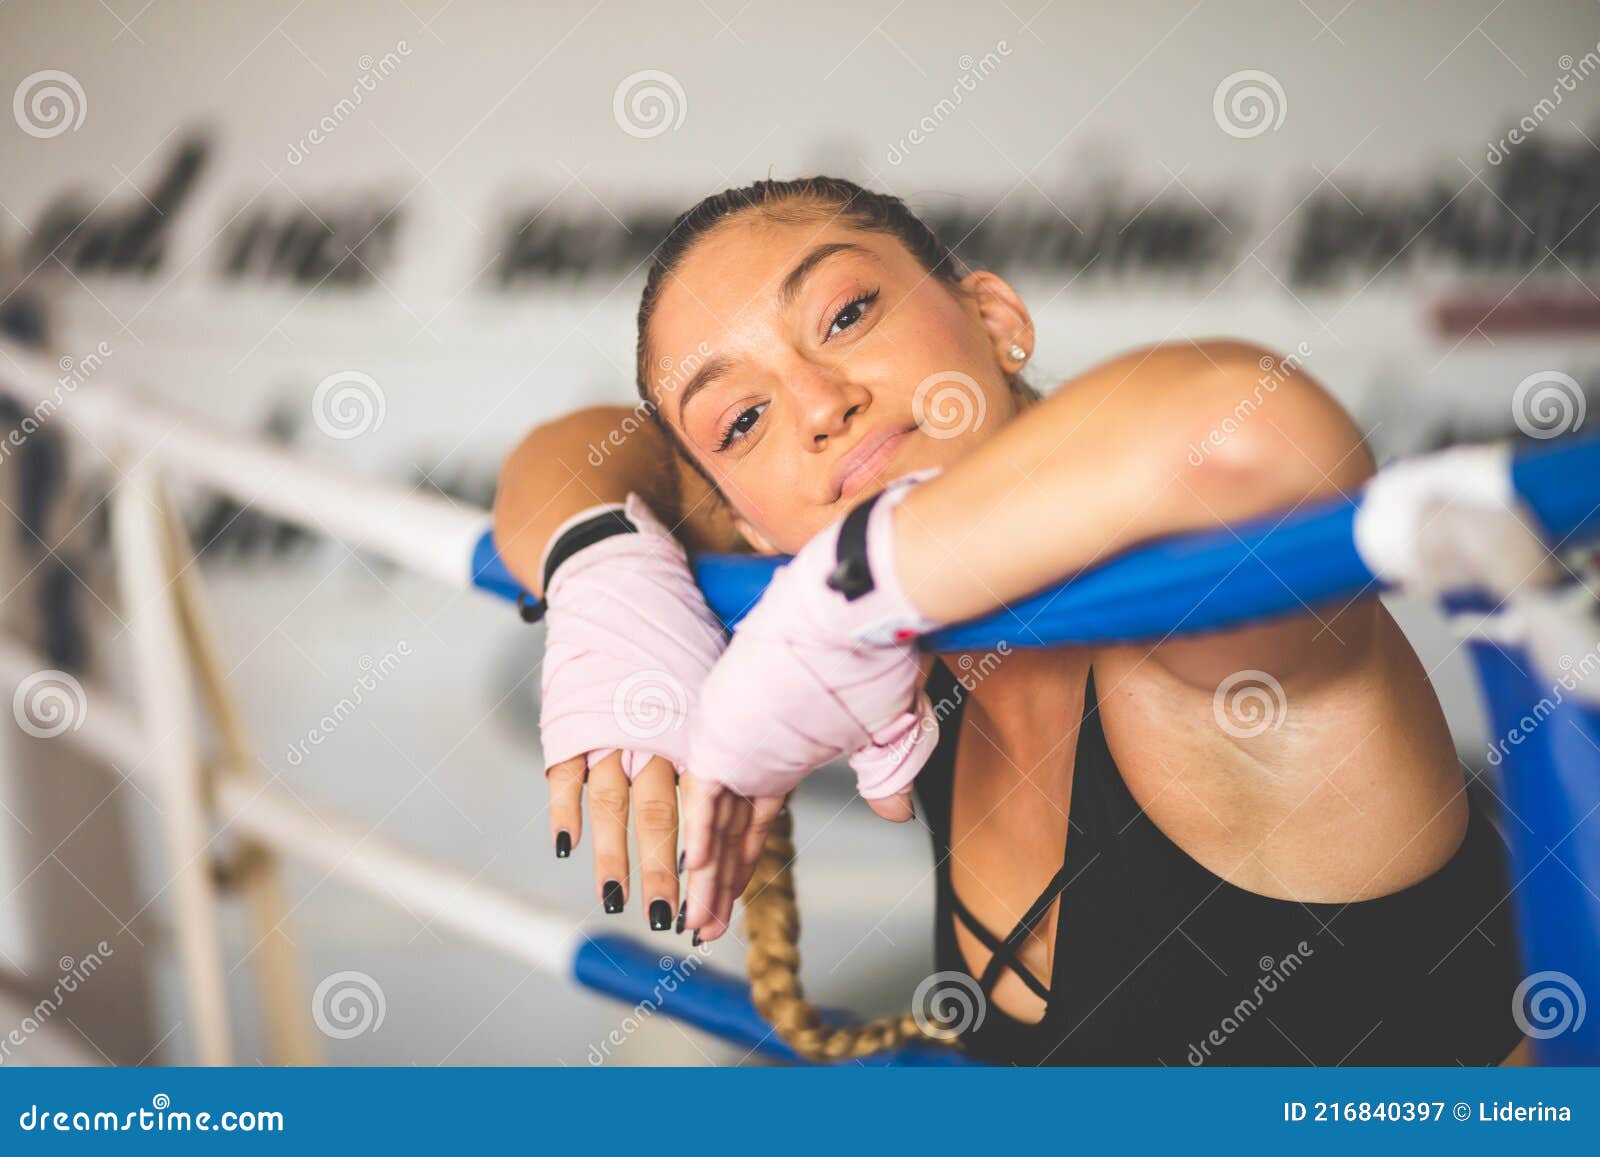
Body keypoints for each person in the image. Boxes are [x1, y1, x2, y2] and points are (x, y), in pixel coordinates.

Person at [494, 177, 1529, 1065]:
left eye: (846, 314)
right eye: (743, 418)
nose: (817, 402)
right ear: (741, 521)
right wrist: (604, 563)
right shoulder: (928, 653)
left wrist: (853, 585)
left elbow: (1248, 435)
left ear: (993, 318)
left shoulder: (1183, 631)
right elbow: (581, 444)